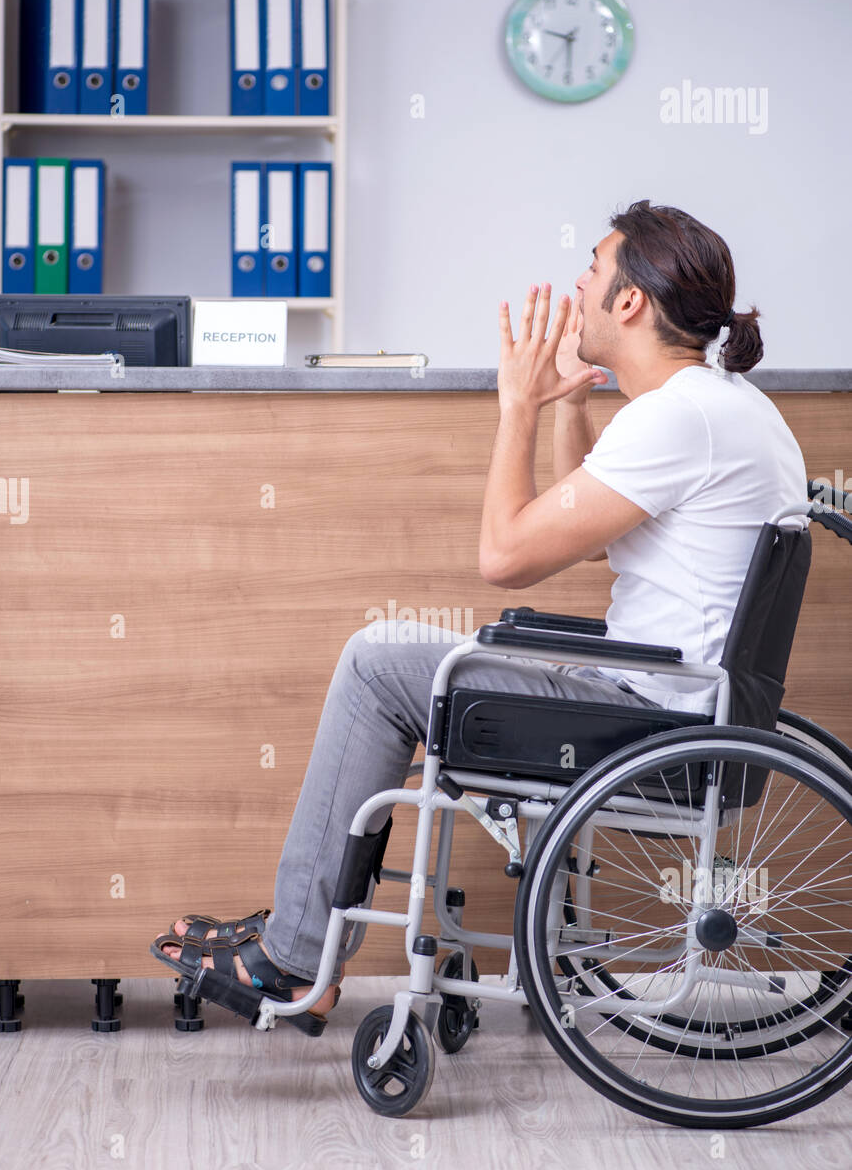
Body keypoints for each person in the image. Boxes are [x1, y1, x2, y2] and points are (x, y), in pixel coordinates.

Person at [153, 199, 807, 1031]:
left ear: (629, 302)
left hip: (649, 721)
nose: (576, 291)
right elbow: (598, 534)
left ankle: (297, 959)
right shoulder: (715, 406)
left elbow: (504, 556)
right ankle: (301, 939)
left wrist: (516, 406)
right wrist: (571, 405)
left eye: (590, 274)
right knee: (408, 658)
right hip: (677, 706)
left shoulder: (680, 417)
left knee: (375, 659)